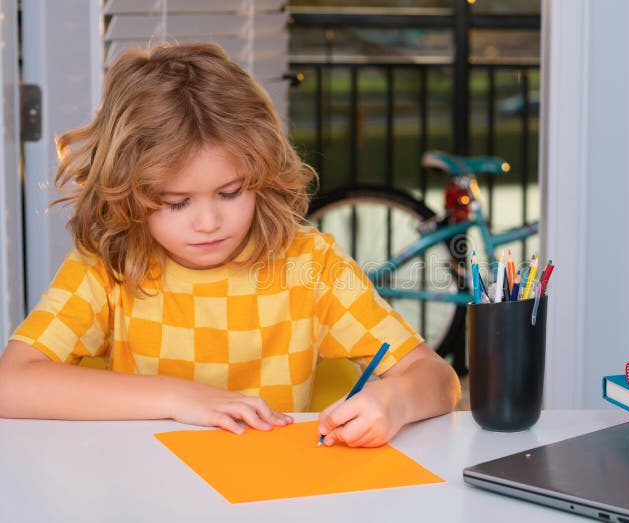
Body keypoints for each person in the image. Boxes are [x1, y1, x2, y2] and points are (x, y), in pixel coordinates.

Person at [0, 43, 460, 447]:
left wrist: (394, 400)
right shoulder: (109, 264)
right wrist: (179, 397)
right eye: (176, 203)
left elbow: (438, 380)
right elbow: (11, 384)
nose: (208, 223)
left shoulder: (309, 264)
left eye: (231, 192)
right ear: (129, 192)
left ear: (262, 175)